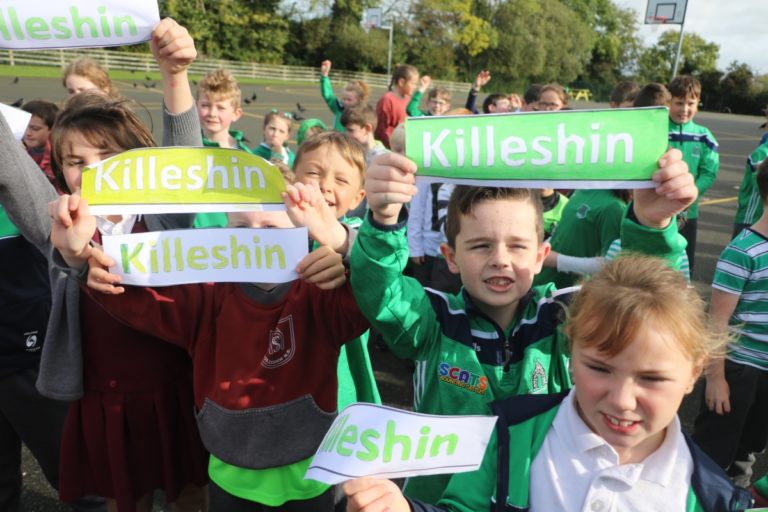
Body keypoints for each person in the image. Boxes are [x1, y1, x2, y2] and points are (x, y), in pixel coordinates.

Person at [348, 147, 696, 502]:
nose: (500, 259)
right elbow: (382, 292)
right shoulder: (433, 320)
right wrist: (384, 219)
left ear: (541, 256)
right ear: (450, 257)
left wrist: (651, 225)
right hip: (440, 503)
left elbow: (638, 299)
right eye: (480, 246)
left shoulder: (563, 316)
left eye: (517, 246)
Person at [343, 256, 755, 512]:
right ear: (570, 350)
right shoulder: (510, 431)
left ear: (694, 372)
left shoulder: (712, 498)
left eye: (651, 378)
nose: (622, 400)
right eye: (599, 368)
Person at [51, 182, 370, 512]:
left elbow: (377, 295)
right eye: (240, 227)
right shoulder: (206, 298)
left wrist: (347, 249)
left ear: (303, 235)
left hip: (310, 477)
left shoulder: (323, 293)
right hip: (228, 474)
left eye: (271, 228)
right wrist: (79, 260)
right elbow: (141, 301)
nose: (253, 239)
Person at [2, 20, 209, 512]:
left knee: (188, 492)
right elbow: (10, 168)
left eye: (108, 154)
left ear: (138, 159)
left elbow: (185, 158)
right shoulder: (58, 222)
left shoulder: (164, 214)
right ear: (59, 169)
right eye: (75, 160)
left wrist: (175, 73)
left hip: (175, 384)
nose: (92, 169)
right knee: (123, 497)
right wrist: (75, 260)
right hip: (105, 396)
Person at [692, 157, 768, 489]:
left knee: (747, 452)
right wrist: (716, 379)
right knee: (712, 452)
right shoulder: (743, 252)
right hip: (739, 371)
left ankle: (736, 497)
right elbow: (718, 320)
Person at [290, 131, 380, 409]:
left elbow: (381, 266)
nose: (325, 186)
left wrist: (345, 257)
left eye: (341, 180)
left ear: (358, 198)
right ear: (293, 178)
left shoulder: (358, 238)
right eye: (314, 173)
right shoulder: (272, 233)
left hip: (338, 376)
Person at [667, 74, 720, 273]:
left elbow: (709, 172)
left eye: (690, 103)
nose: (684, 109)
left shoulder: (704, 136)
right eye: (679, 103)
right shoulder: (658, 131)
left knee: (684, 264)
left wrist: (690, 194)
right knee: (656, 261)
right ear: (669, 102)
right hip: (659, 209)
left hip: (688, 212)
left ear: (698, 103)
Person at [197, 68, 252, 153]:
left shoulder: (245, 155)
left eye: (220, 108)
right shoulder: (186, 146)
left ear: (236, 114)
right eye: (205, 106)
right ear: (196, 107)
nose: (212, 113)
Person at [375, 64, 419, 149]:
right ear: (401, 82)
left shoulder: (409, 100)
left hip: (405, 148)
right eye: (413, 83)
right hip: (390, 149)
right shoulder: (387, 100)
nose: (415, 87)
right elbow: (381, 130)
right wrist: (392, 148)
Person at [318, 59, 369, 131]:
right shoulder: (338, 108)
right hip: (337, 138)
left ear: (359, 100)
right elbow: (328, 95)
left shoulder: (363, 115)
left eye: (349, 100)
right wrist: (324, 76)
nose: (345, 102)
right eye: (344, 99)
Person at [733, 141, 768, 237]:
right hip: (750, 218)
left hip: (762, 218)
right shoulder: (762, 153)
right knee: (742, 245)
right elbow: (761, 184)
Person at [21, 99, 58, 187]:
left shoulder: (57, 157)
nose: (28, 133)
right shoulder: (21, 148)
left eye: (35, 129)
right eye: (24, 127)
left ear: (52, 129)